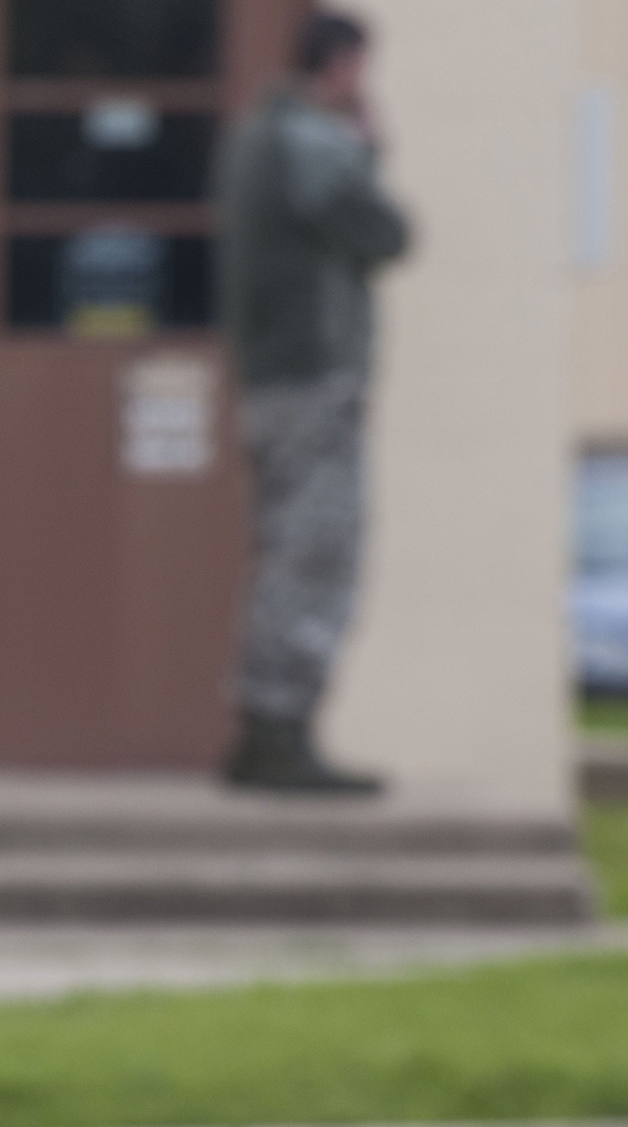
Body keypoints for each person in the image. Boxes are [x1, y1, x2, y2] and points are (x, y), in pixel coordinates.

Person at [216, 11, 409, 792]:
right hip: (316, 376)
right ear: (345, 66)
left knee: (285, 549)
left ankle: (263, 732)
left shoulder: (250, 140)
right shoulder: (316, 143)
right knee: (318, 550)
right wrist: (369, 144)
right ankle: (279, 734)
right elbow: (388, 233)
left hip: (264, 378)